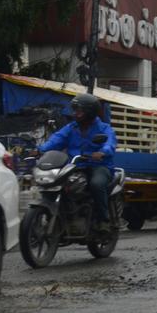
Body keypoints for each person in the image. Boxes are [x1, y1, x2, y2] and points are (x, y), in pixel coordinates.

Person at [38, 93, 117, 231]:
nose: (75, 113)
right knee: (56, 183)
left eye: (79, 110)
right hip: (75, 166)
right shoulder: (71, 128)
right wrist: (40, 150)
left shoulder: (105, 129)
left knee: (96, 184)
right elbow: (56, 140)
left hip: (98, 166)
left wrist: (102, 152)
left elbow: (110, 144)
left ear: (90, 111)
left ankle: (103, 220)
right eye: (74, 110)